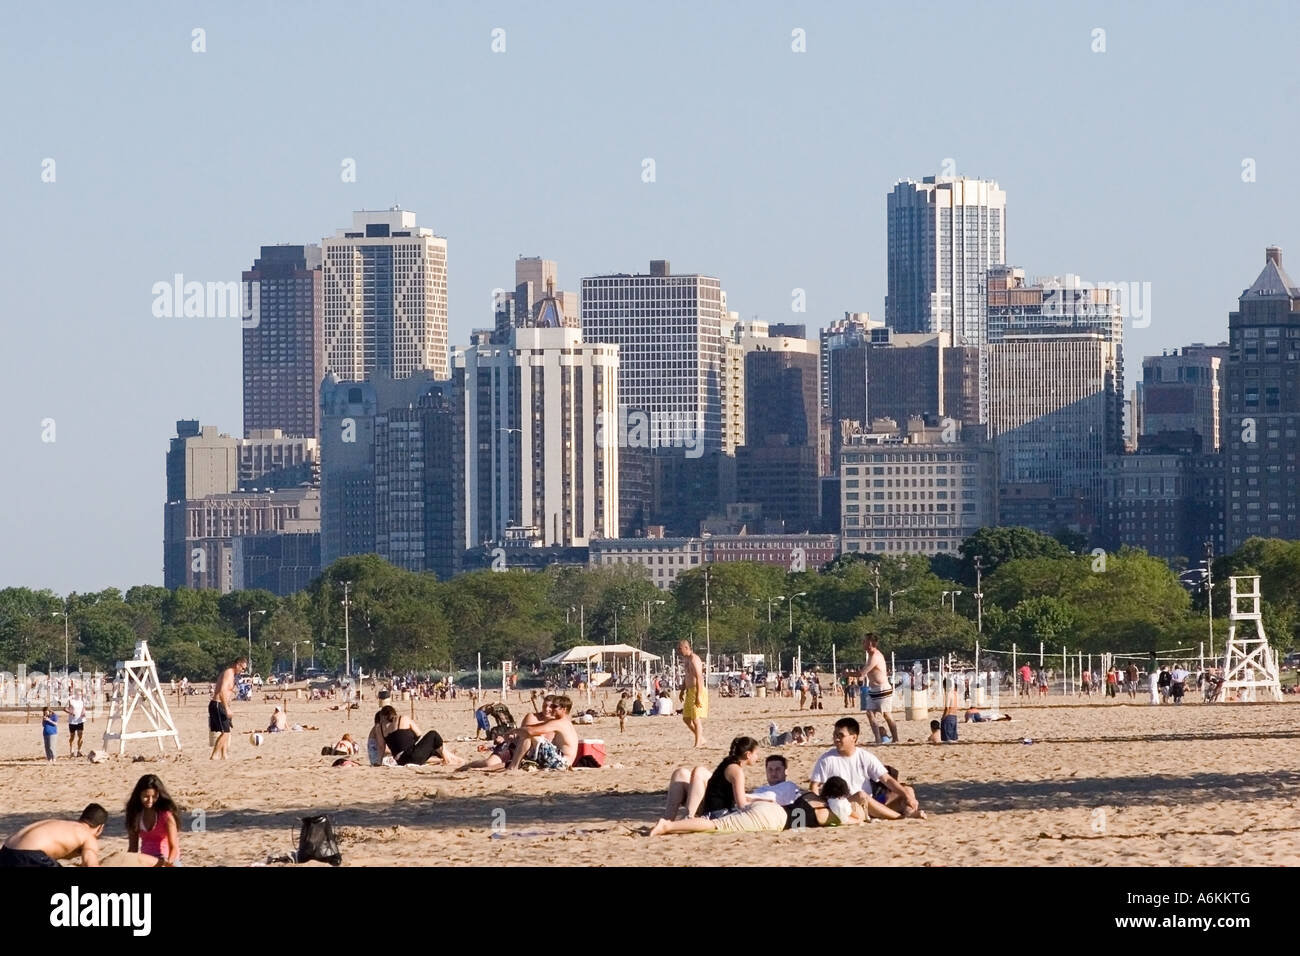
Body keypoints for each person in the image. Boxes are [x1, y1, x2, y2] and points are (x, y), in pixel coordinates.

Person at [810, 717, 924, 819]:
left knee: (907, 790)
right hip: (849, 804)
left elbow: (887, 779)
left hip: (871, 802)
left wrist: (908, 796)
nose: (836, 739)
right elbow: (814, 786)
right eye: (835, 735)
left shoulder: (864, 756)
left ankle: (910, 812)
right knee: (861, 795)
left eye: (840, 735)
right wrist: (820, 806)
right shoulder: (827, 759)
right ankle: (899, 817)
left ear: (853, 737)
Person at [659, 736, 762, 823]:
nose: (758, 757)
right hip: (715, 810)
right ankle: (684, 817)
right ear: (748, 754)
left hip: (708, 803)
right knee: (681, 773)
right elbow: (741, 804)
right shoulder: (736, 771)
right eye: (756, 754)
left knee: (693, 772)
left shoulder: (727, 762)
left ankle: (671, 819)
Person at [0, 804, 107, 867]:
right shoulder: (87, 835)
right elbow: (90, 862)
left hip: (6, 852)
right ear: (100, 828)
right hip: (29, 855)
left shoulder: (63, 825)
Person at [506, 694, 578, 771]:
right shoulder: (564, 722)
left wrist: (515, 731)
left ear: (564, 709)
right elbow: (533, 727)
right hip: (563, 761)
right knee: (527, 733)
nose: (552, 709)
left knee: (527, 735)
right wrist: (517, 731)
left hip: (562, 762)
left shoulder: (559, 723)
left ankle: (513, 767)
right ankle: (517, 764)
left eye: (555, 707)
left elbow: (530, 731)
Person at [375, 706, 462, 766]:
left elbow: (381, 747)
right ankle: (448, 760)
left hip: (400, 761)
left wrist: (379, 762)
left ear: (383, 716)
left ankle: (456, 759)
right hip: (413, 756)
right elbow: (418, 733)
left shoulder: (380, 727)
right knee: (433, 734)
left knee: (434, 749)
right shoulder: (403, 718)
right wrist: (410, 740)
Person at [125, 774, 181, 867]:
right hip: (146, 859)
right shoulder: (135, 815)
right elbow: (133, 848)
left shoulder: (166, 815)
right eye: (146, 796)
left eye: (154, 796)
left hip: (168, 858)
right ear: (139, 795)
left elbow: (174, 847)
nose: (150, 800)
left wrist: (167, 864)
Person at [861, 634, 899, 745]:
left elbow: (862, 673)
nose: (862, 643)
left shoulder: (875, 656)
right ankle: (878, 739)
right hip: (873, 690)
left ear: (869, 643)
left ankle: (896, 739)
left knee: (887, 714)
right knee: (869, 713)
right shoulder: (870, 656)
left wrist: (847, 673)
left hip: (883, 689)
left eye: (864, 641)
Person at [209, 656, 247, 760]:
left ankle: (224, 755)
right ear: (237, 664)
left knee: (226, 731)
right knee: (226, 733)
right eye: (243, 668)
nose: (243, 671)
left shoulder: (232, 675)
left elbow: (227, 692)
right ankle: (215, 755)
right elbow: (221, 691)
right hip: (218, 704)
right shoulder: (229, 673)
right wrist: (226, 708)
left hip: (221, 705)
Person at [678, 639, 707, 748]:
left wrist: (698, 696)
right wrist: (682, 690)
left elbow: (699, 677)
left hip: (697, 690)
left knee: (695, 718)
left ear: (686, 647)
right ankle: (701, 738)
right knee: (686, 718)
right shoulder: (686, 660)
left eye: (680, 649)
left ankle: (698, 743)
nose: (679, 651)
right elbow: (687, 677)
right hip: (689, 691)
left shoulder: (694, 659)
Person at [65, 686, 86, 758]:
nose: (79, 695)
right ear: (75, 694)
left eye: (80, 694)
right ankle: (71, 750)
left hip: (80, 721)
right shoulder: (71, 701)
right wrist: (71, 712)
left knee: (81, 736)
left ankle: (79, 751)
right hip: (72, 721)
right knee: (72, 737)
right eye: (78, 694)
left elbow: (83, 708)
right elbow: (64, 708)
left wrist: (83, 712)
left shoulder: (82, 701)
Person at [940, 678, 959, 743]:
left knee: (947, 740)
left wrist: (943, 718)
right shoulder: (955, 693)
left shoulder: (948, 694)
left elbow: (947, 708)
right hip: (954, 716)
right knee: (953, 739)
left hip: (949, 717)